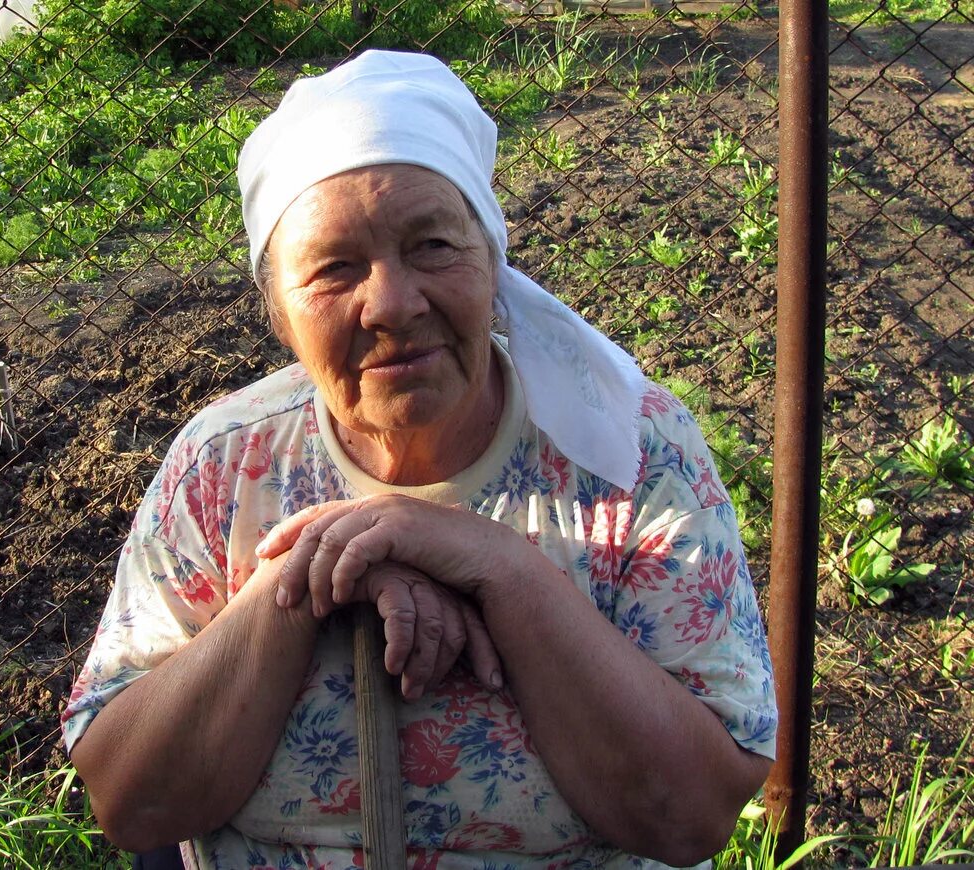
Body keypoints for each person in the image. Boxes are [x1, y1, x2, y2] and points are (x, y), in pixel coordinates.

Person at [63, 49, 777, 870]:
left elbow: (688, 820)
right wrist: (309, 580)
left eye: (433, 245)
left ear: (493, 260)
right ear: (280, 317)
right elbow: (132, 802)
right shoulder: (229, 464)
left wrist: (501, 568)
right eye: (334, 269)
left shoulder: (630, 454)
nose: (393, 303)